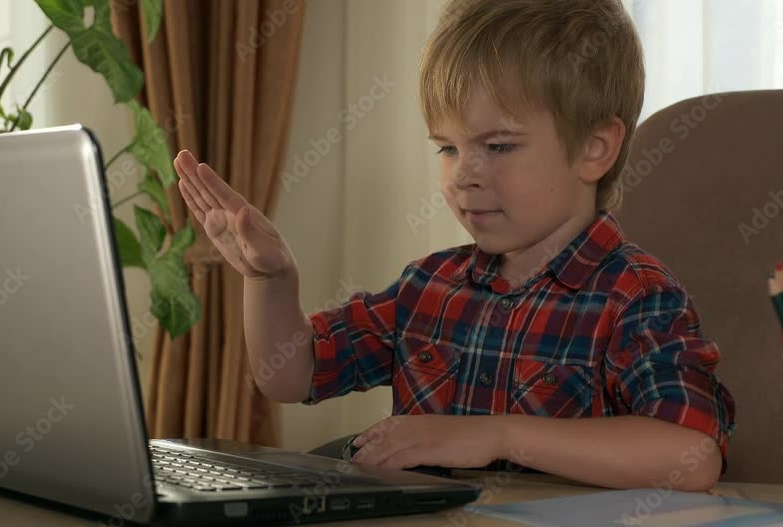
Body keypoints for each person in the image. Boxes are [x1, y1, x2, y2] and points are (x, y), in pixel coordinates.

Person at [174, 0, 736, 491]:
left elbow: (690, 457)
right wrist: (269, 281)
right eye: (446, 147)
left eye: (497, 145)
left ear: (594, 148)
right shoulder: (428, 287)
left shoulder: (636, 295)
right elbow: (289, 375)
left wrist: (495, 436)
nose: (463, 174)